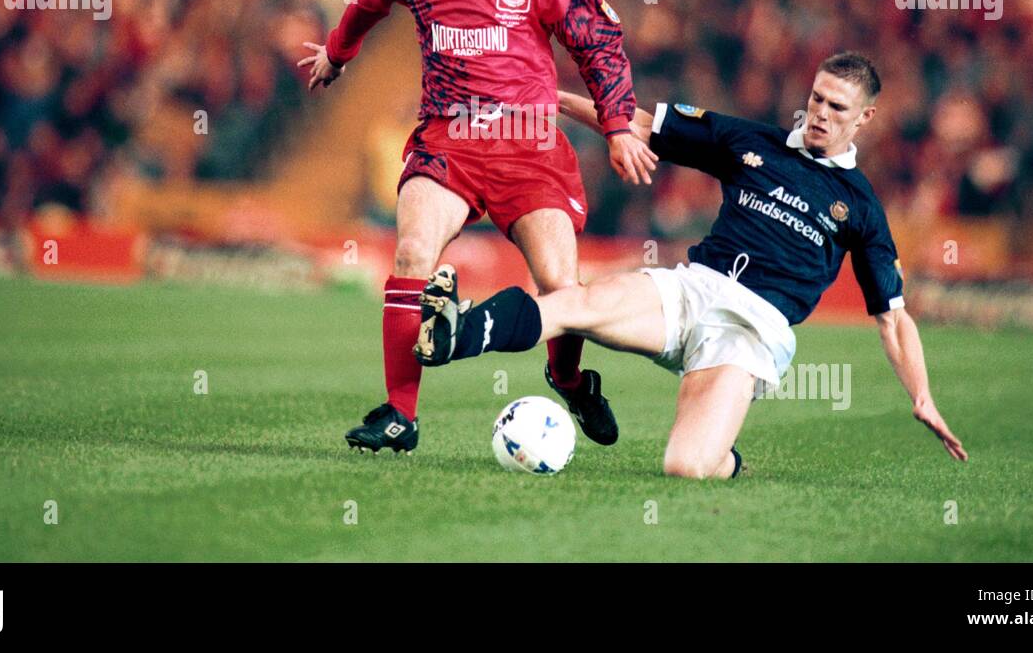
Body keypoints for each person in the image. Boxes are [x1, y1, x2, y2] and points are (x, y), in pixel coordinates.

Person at [415, 52, 968, 477]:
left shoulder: (863, 206)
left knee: (685, 468)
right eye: (818, 98)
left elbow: (892, 318)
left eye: (838, 107)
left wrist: (922, 397)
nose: (821, 113)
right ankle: (459, 332)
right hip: (691, 291)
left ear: (865, 117)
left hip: (751, 333)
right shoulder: (750, 141)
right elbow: (633, 122)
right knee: (575, 301)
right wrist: (551, 99)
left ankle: (727, 459)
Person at [298, 0, 657, 453]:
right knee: (411, 252)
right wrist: (337, 53)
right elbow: (365, 2)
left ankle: (568, 378)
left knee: (559, 283)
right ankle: (399, 415)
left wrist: (619, 125)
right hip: (449, 140)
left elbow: (600, 45)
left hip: (531, 148)